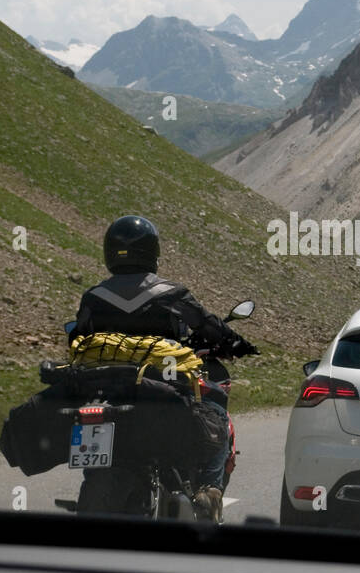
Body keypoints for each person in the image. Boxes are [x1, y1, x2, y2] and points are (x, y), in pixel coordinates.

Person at [71, 215, 257, 520]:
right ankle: (209, 493)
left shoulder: (93, 297)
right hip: (162, 388)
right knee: (218, 418)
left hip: (104, 393)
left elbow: (78, 338)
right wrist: (231, 342)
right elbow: (211, 327)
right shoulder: (171, 294)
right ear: (152, 251)